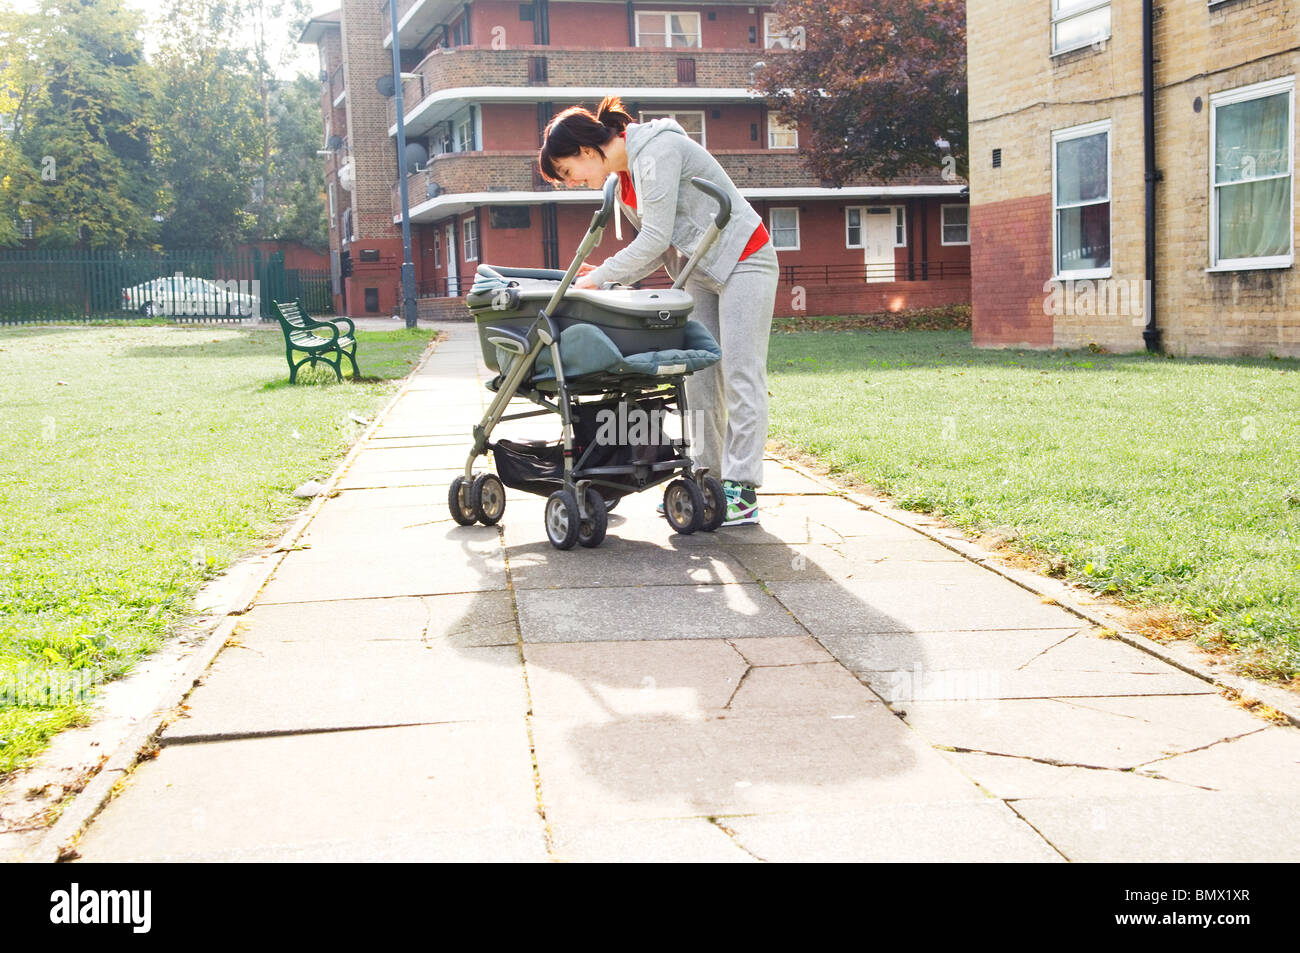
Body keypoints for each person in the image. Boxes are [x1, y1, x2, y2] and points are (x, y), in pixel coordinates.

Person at [537, 96, 778, 525]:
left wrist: (603, 275)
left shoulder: (657, 151)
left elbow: (652, 239)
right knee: (701, 373)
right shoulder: (622, 181)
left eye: (569, 172)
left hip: (746, 258)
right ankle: (708, 480)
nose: (573, 182)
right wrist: (606, 275)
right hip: (701, 269)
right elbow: (660, 248)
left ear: (587, 151)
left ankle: (742, 489)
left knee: (742, 372)